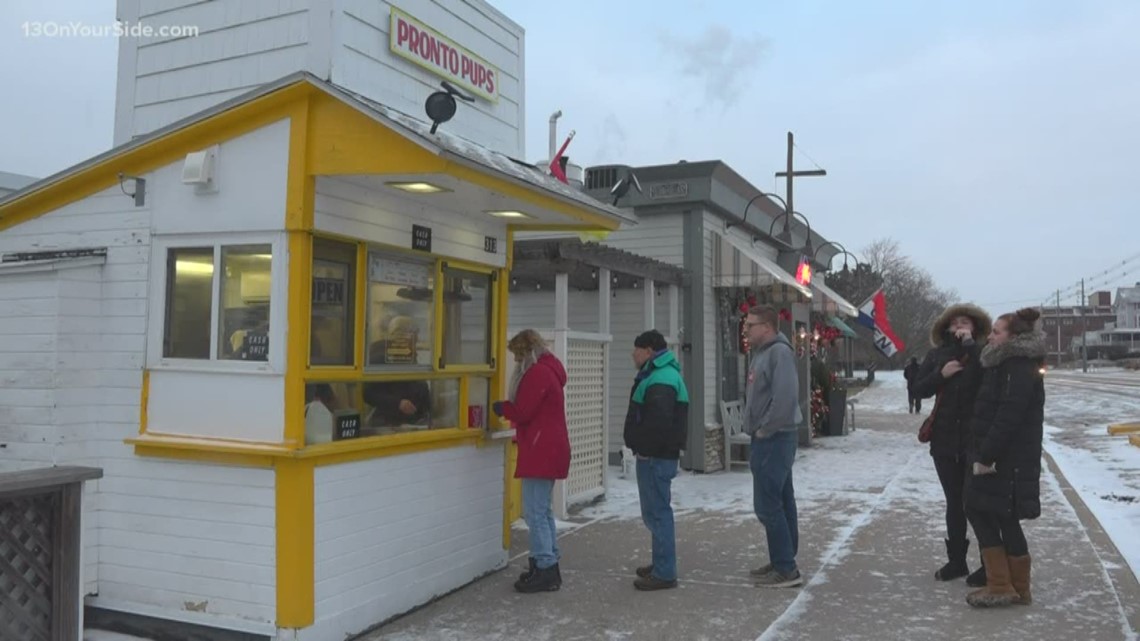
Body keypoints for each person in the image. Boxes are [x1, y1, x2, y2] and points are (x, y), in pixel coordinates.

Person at [964, 308, 1046, 608]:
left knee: (983, 509)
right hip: (1005, 458)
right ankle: (1014, 587)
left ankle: (1004, 585)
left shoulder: (1016, 367)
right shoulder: (1004, 364)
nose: (991, 336)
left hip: (1006, 460)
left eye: (997, 332)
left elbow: (1008, 416)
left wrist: (986, 455)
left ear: (1015, 338)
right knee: (1000, 515)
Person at [911, 303, 992, 586]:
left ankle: (988, 564)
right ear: (946, 328)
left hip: (974, 440)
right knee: (954, 503)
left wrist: (970, 346)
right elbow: (917, 389)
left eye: (966, 323)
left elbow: (989, 379)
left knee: (976, 502)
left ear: (975, 329)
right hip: (944, 440)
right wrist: (940, 374)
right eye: (955, 323)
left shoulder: (983, 354)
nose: (960, 327)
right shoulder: (936, 355)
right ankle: (957, 561)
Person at [491, 329, 570, 593]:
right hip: (549, 447)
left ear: (526, 352)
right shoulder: (550, 369)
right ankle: (547, 563)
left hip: (540, 449)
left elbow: (524, 412)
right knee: (543, 511)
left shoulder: (537, 373)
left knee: (535, 512)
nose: (515, 361)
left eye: (517, 354)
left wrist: (502, 408)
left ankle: (545, 567)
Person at [743, 306, 804, 588]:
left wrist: (766, 429)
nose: (746, 329)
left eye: (751, 324)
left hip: (775, 438)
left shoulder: (779, 353)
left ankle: (786, 569)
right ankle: (783, 558)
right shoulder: (762, 353)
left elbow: (786, 397)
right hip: (771, 438)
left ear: (767, 327)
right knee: (781, 500)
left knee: (767, 505)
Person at [623, 330, 689, 591]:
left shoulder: (661, 378)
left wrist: (645, 449)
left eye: (636, 349)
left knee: (658, 513)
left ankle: (664, 572)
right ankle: (661, 563)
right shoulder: (661, 374)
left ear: (648, 351)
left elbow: (658, 423)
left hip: (655, 457)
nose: (632, 353)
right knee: (655, 512)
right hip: (658, 455)